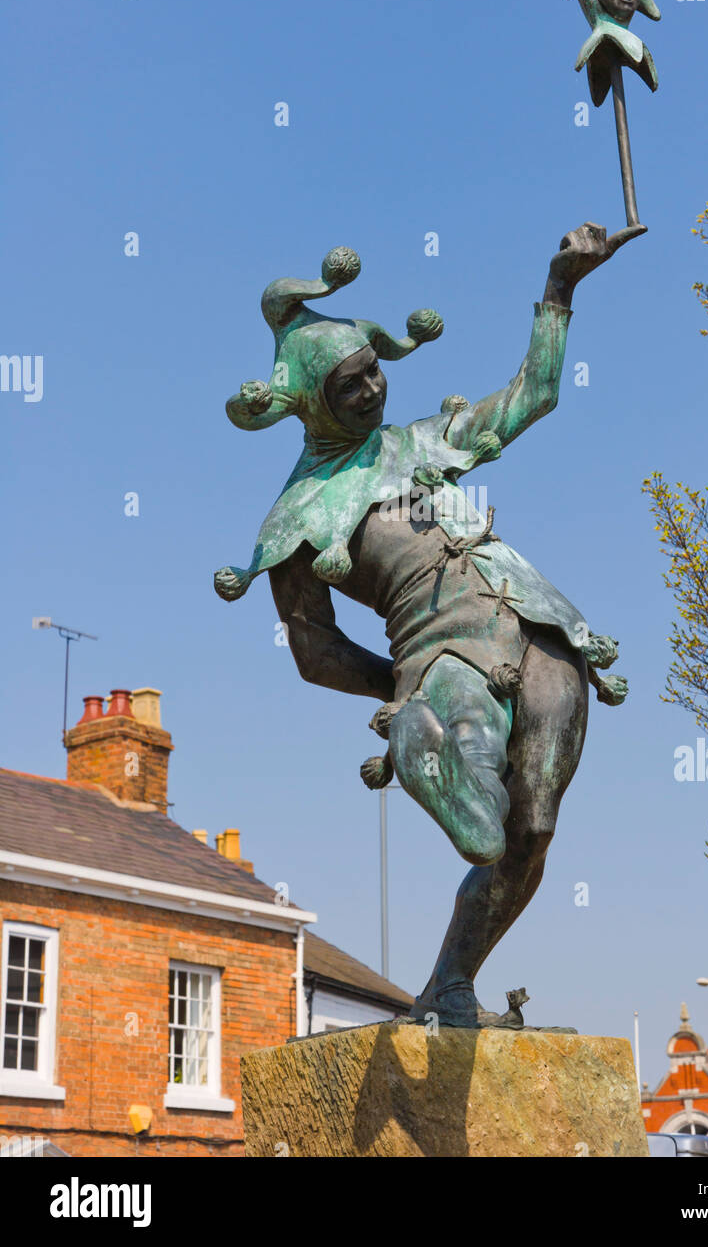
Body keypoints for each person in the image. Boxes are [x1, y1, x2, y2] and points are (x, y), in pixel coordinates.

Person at [214, 222, 641, 1025]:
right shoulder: (295, 520)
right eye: (350, 386)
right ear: (310, 400)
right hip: (441, 656)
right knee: (480, 779)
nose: (373, 390)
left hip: (541, 629)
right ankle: (435, 756)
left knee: (534, 826)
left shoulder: (426, 442)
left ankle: (450, 981)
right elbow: (312, 650)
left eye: (374, 372)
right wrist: (396, 686)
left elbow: (534, 395)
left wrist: (561, 287)